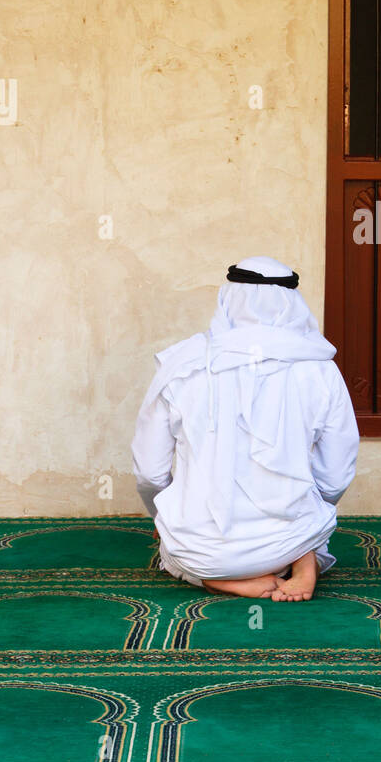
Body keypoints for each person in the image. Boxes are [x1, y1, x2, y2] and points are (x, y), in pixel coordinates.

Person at [131, 257, 359, 601]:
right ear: (292, 302)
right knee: (298, 508)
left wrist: (161, 514)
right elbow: (336, 474)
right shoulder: (319, 368)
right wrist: (312, 516)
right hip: (289, 537)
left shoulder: (183, 363)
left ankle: (220, 578)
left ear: (229, 296)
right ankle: (302, 556)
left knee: (181, 554)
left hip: (202, 548)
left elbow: (150, 472)